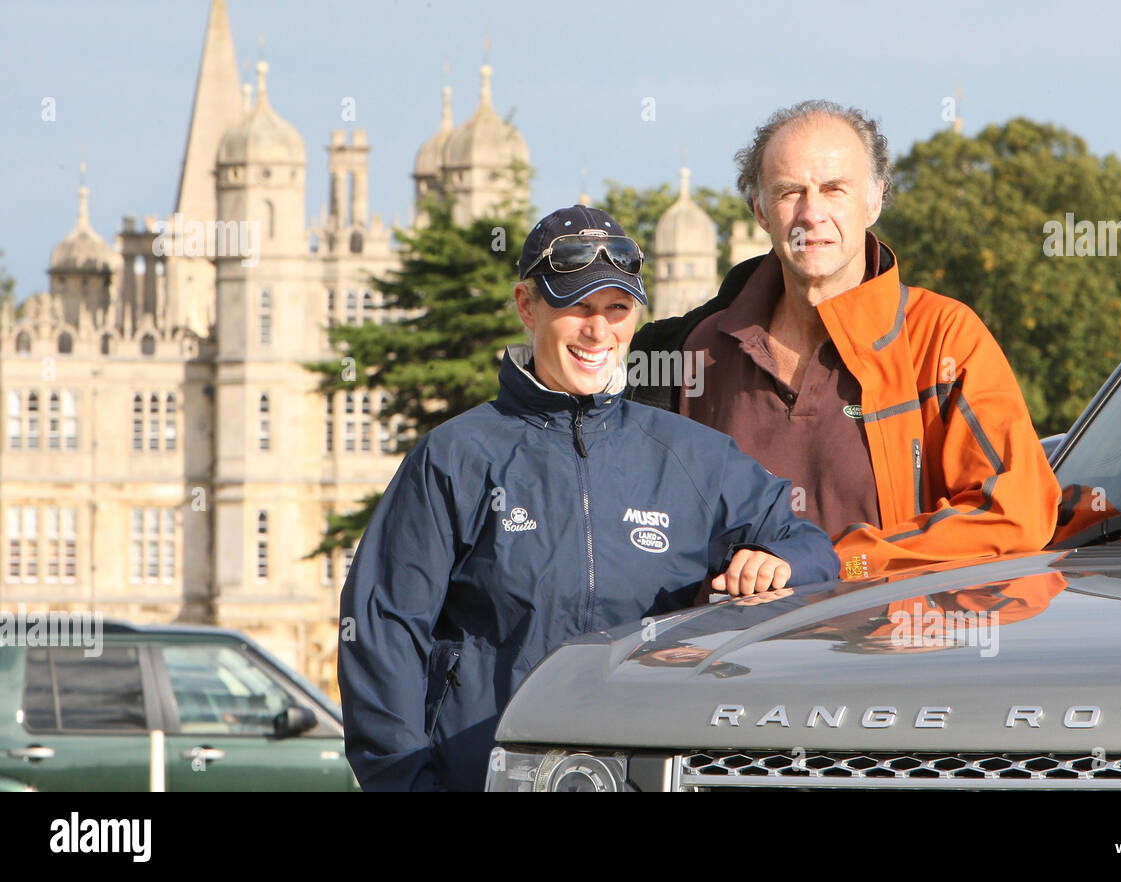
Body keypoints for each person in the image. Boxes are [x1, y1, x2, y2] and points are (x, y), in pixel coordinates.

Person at [337, 205, 840, 791]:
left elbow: (811, 547)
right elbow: (381, 631)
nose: (598, 331)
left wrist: (781, 562)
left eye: (616, 309)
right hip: (484, 775)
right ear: (527, 306)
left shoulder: (691, 455)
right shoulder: (454, 456)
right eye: (576, 306)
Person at [628, 101, 1061, 580]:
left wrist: (839, 562)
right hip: (735, 649)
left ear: (874, 200)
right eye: (790, 191)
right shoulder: (695, 352)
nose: (812, 213)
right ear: (761, 211)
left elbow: (1015, 514)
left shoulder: (942, 338)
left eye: (835, 189)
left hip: (886, 645)